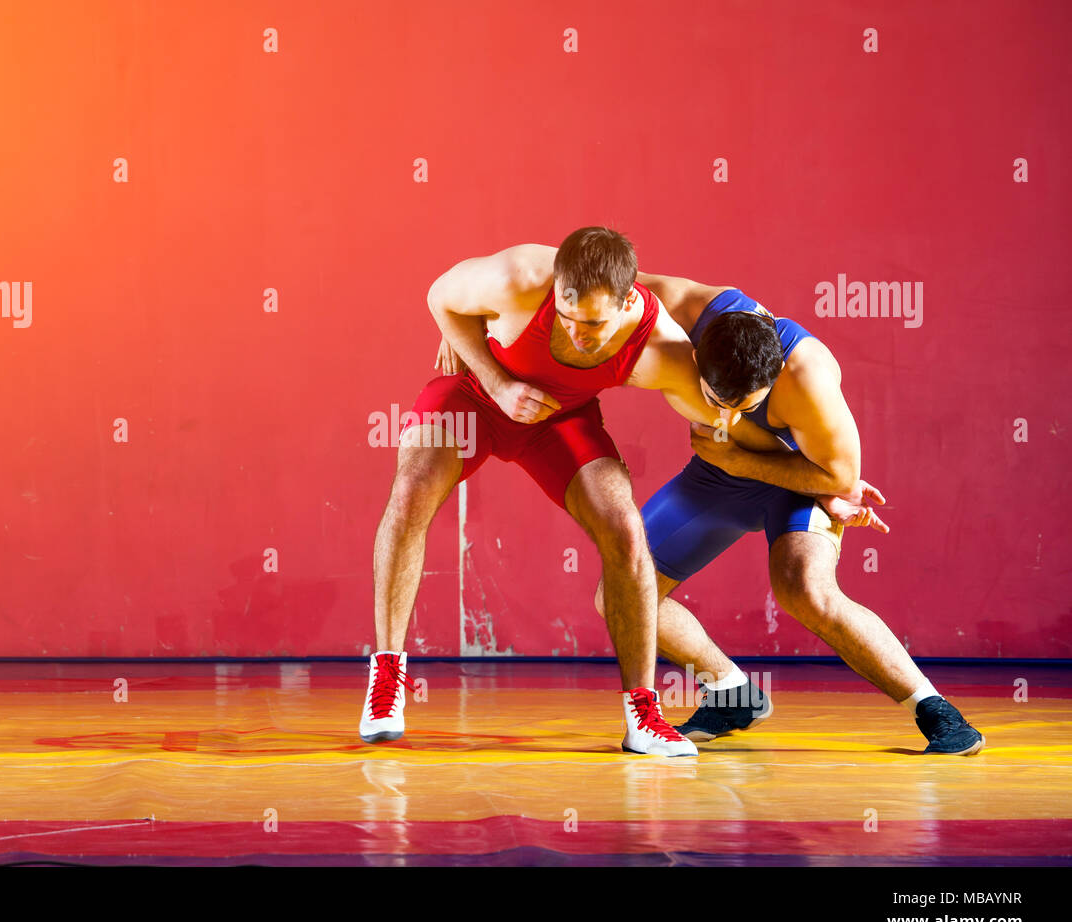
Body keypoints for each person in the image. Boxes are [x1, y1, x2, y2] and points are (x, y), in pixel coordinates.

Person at [363, 227, 780, 755]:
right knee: (410, 493)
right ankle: (386, 678)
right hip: (476, 395)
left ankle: (643, 715)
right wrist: (496, 381)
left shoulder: (659, 346)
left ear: (629, 301)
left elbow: (725, 421)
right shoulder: (520, 277)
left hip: (559, 420)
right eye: (568, 315)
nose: (580, 333)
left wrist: (824, 478)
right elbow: (440, 296)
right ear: (556, 286)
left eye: (595, 324)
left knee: (626, 527)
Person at [596, 274, 984, 755]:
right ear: (699, 356)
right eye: (717, 401)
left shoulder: (807, 375)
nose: (725, 417)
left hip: (797, 482)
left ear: (773, 377)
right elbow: (608, 279)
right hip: (718, 477)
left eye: (745, 406)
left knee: (805, 589)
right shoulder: (689, 306)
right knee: (623, 592)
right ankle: (731, 693)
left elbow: (841, 479)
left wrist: (739, 459)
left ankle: (937, 712)